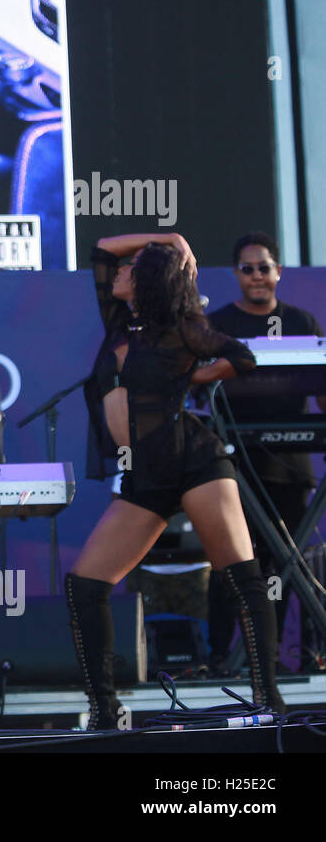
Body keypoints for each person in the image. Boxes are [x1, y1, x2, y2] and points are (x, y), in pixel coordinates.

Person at [71, 231, 284, 729]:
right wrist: (171, 239)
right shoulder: (119, 322)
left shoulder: (183, 327)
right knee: (85, 584)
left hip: (194, 461)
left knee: (242, 577)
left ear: (148, 280)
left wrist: (195, 378)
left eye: (133, 268)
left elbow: (243, 357)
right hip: (146, 474)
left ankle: (268, 701)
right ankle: (105, 710)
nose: (119, 272)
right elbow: (104, 247)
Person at [206, 231, 324, 670]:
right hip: (232, 462)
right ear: (236, 275)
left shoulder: (303, 323)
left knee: (282, 565)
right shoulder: (217, 325)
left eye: (264, 267)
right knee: (229, 563)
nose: (257, 276)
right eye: (247, 269)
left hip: (289, 467)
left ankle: (268, 661)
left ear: (278, 272)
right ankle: (218, 657)